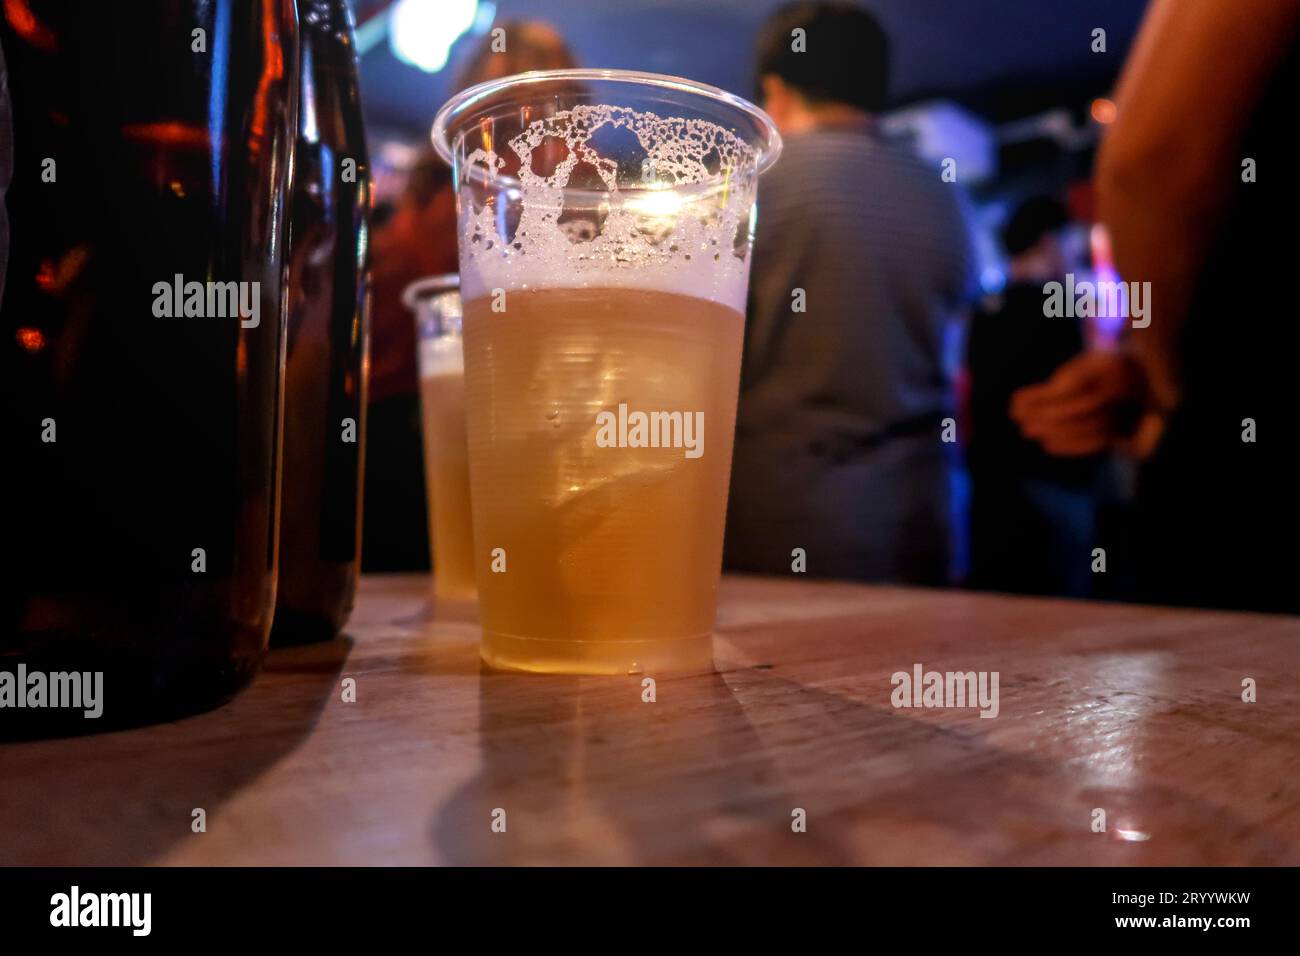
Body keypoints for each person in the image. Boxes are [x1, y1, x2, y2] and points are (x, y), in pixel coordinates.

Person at [1010, 0, 1300, 612]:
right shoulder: (1050, 304)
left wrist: (1169, 385)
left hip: (1231, 479)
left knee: (1217, 698)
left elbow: (1151, 157)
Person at [724, 2, 975, 585]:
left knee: (789, 678)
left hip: (785, 524)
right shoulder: (944, 195)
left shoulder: (754, 190)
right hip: (928, 516)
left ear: (775, 88)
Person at [363, 21, 577, 572]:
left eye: (560, 121)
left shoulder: (423, 204)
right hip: (421, 454)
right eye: (530, 126)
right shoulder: (471, 214)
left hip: (395, 455)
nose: (548, 145)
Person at [965, 197, 1102, 597]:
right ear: (1049, 242)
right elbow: (1083, 389)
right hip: (1057, 478)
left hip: (992, 481)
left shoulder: (986, 306)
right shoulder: (1060, 304)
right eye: (1070, 241)